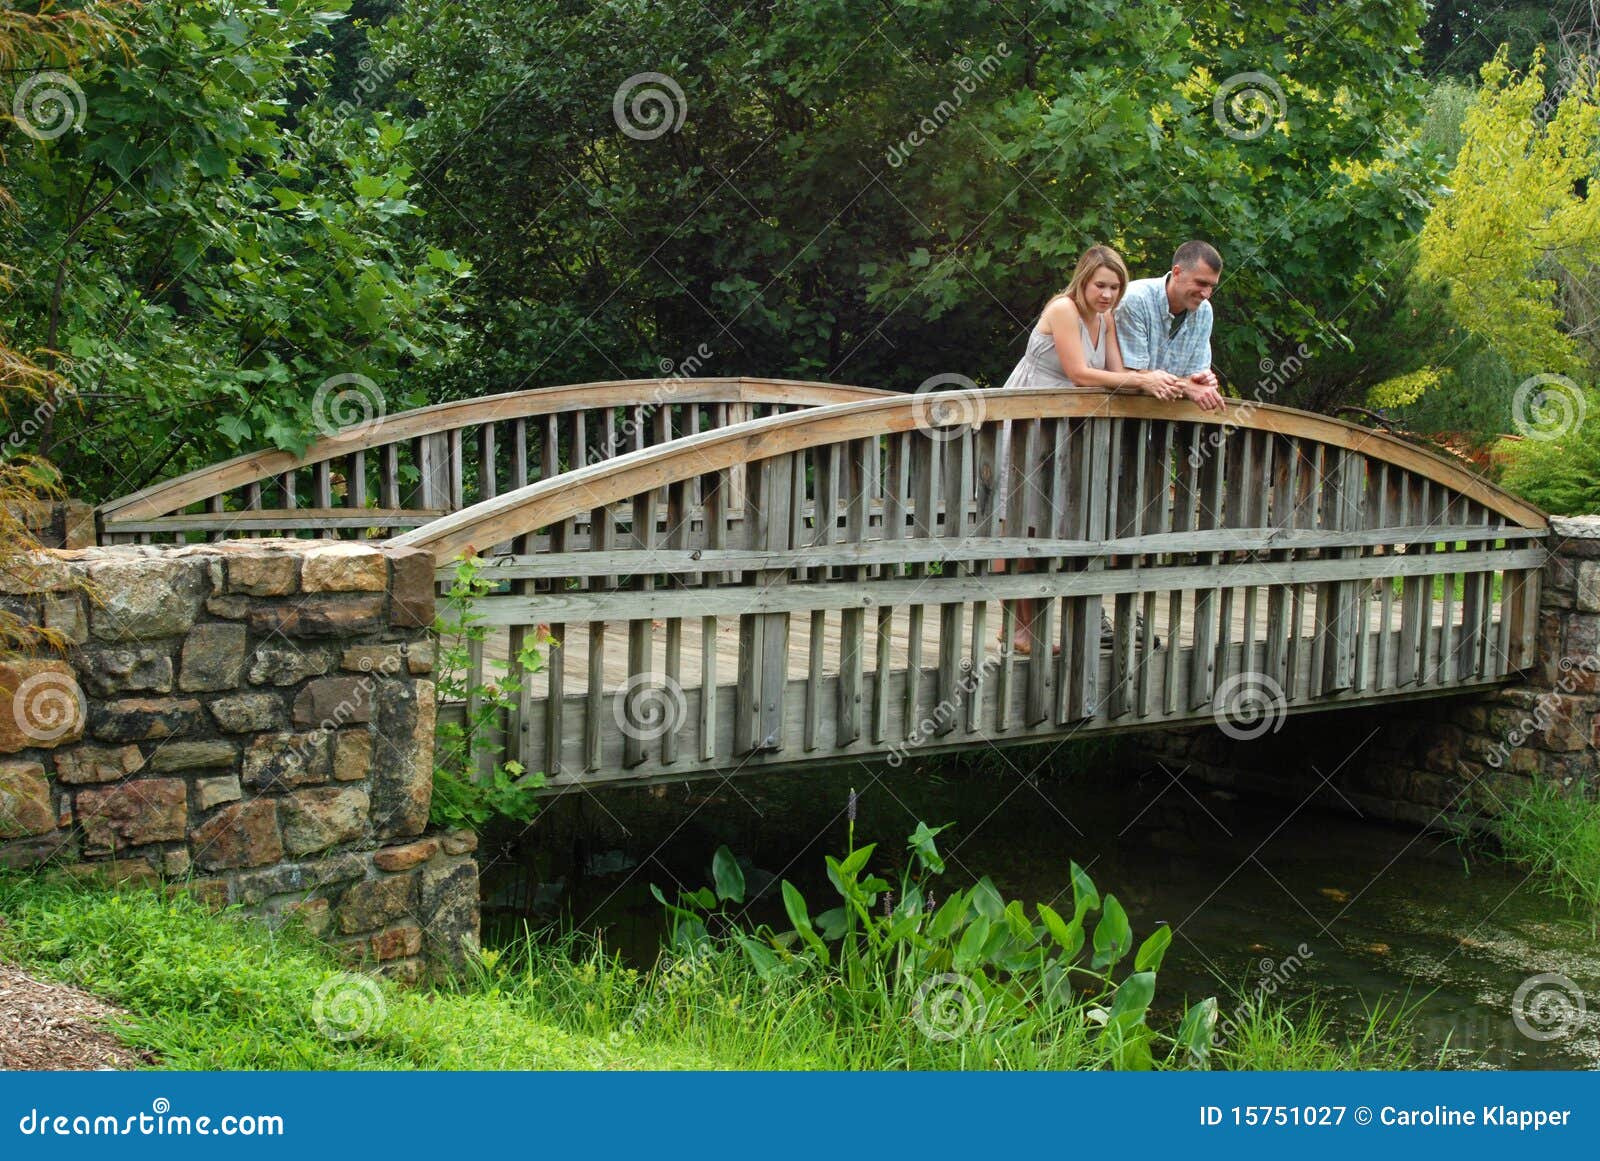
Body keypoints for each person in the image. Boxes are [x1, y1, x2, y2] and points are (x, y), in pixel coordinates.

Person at [997, 245, 1184, 652]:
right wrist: (1142, 381)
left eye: (1115, 287)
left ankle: (1028, 627)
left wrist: (1155, 380)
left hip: (1065, 431)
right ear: (1083, 280)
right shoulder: (1063, 309)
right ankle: (1017, 628)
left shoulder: (1106, 318)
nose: (1107, 294)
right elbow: (1080, 374)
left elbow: (1116, 374)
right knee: (1019, 525)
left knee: (1045, 526)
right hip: (1030, 423)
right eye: (1100, 285)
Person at [1115, 240, 1227, 411]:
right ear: (1177, 273)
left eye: (1211, 286)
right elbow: (1131, 373)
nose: (1206, 294)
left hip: (1165, 418)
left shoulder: (1204, 311)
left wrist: (1203, 382)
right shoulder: (1135, 299)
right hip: (1118, 414)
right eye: (1201, 283)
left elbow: (1195, 376)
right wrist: (1187, 386)